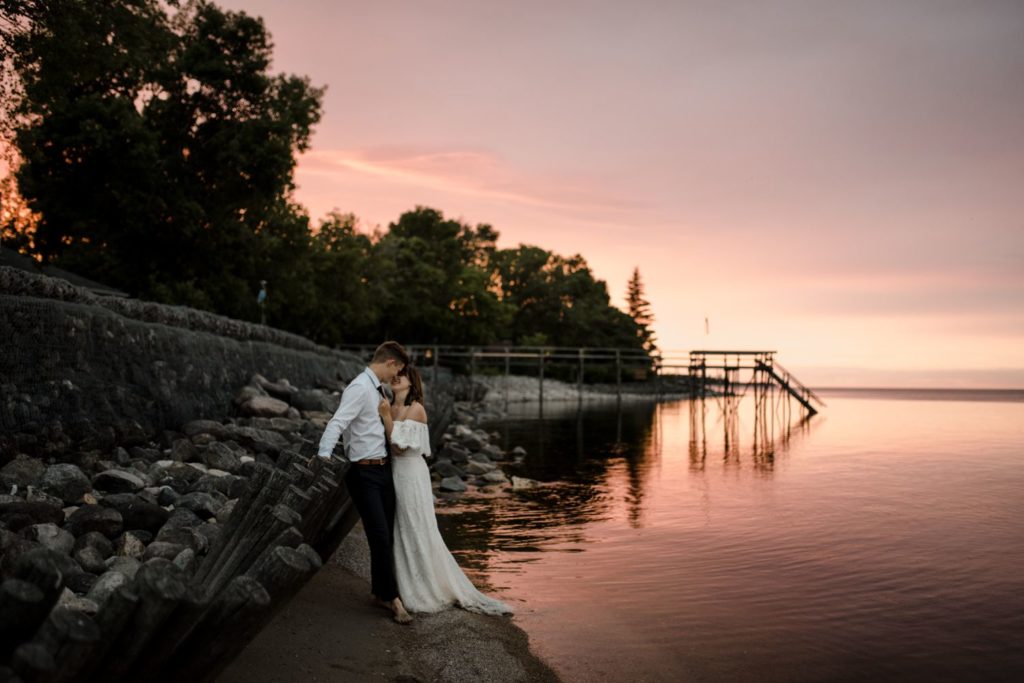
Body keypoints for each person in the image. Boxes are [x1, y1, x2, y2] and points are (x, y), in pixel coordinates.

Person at [380, 364, 512, 616]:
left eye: (403, 374)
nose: (397, 377)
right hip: (393, 473)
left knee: (415, 527)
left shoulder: (415, 409)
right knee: (398, 529)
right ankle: (396, 585)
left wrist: (386, 418)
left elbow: (398, 448)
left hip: (410, 474)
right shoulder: (390, 405)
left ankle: (420, 588)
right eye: (395, 373)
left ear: (412, 381)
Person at [317, 341, 413, 623]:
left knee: (385, 535)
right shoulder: (360, 388)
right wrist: (323, 455)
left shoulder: (379, 389)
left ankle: (379, 592)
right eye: (398, 370)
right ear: (392, 363)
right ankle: (393, 599)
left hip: (383, 470)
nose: (396, 377)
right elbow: (337, 422)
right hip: (364, 473)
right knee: (379, 535)